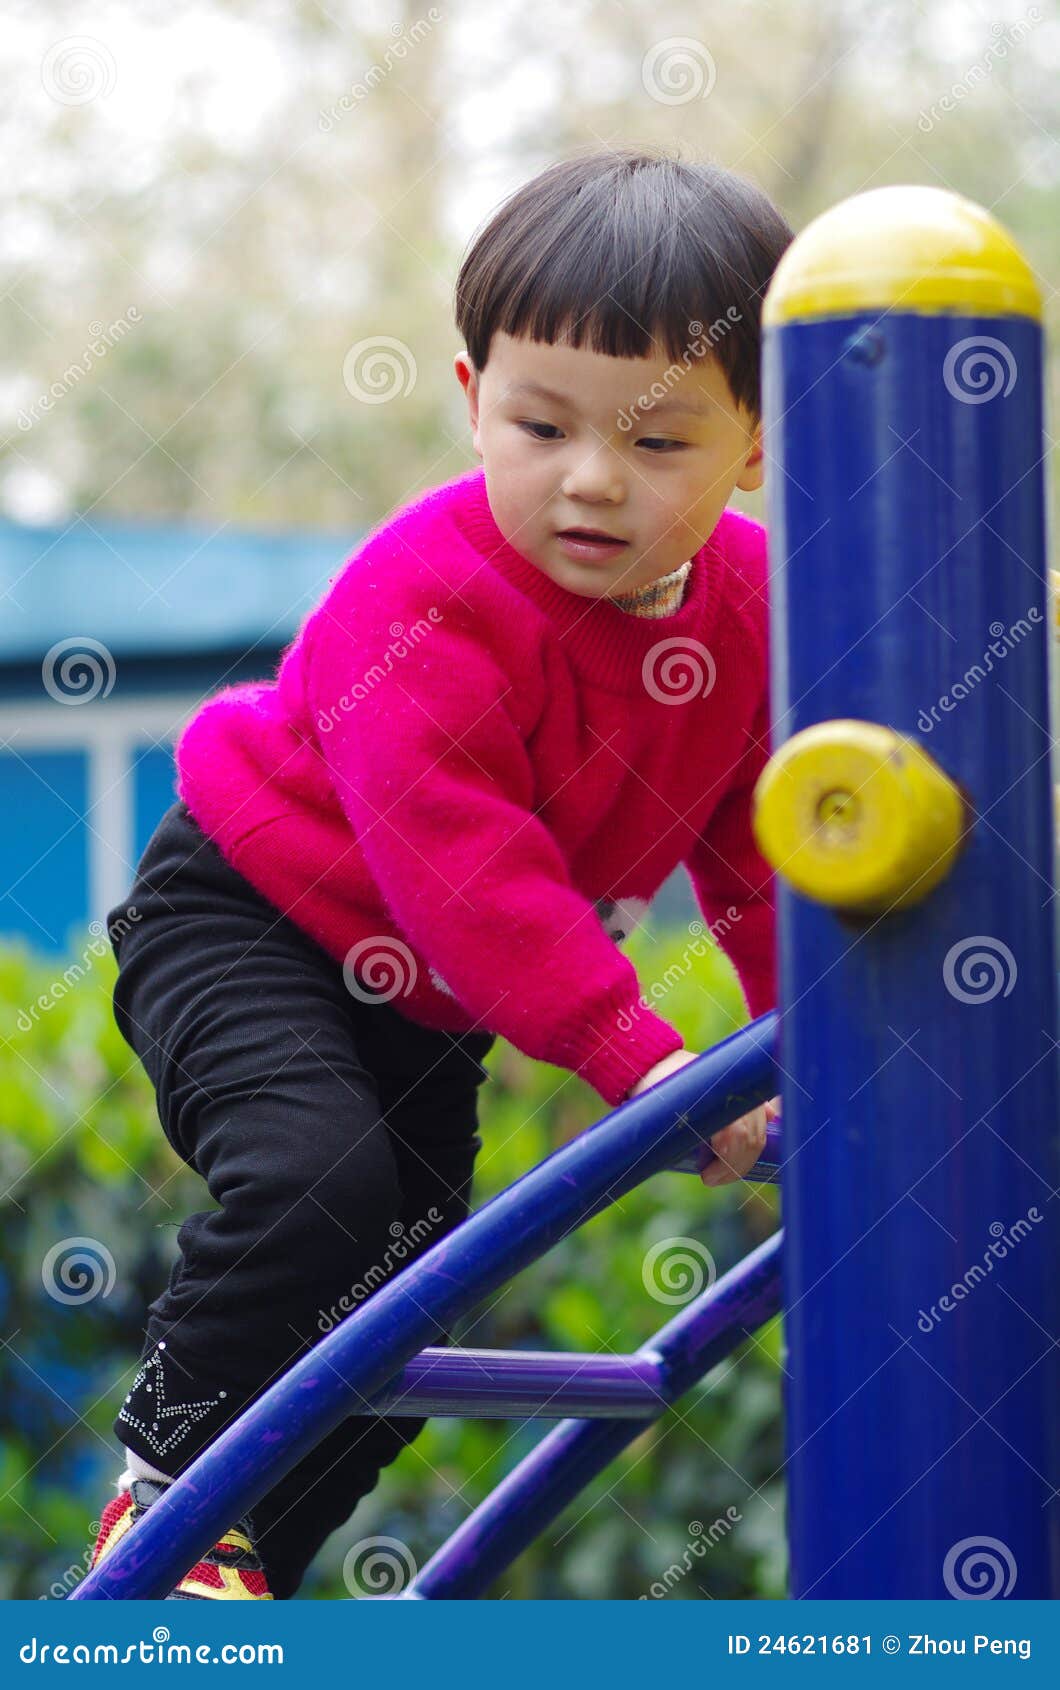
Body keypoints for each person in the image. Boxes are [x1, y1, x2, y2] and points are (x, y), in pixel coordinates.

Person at [87, 146, 793, 1600]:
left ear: (757, 447)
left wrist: (819, 1051)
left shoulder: (754, 617)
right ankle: (157, 1495)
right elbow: (462, 867)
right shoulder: (423, 597)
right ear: (476, 402)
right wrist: (636, 1054)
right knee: (314, 1181)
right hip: (249, 914)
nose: (591, 481)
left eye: (660, 445)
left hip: (425, 1003)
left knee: (411, 1289)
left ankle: (242, 1572)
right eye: (542, 424)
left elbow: (765, 848)